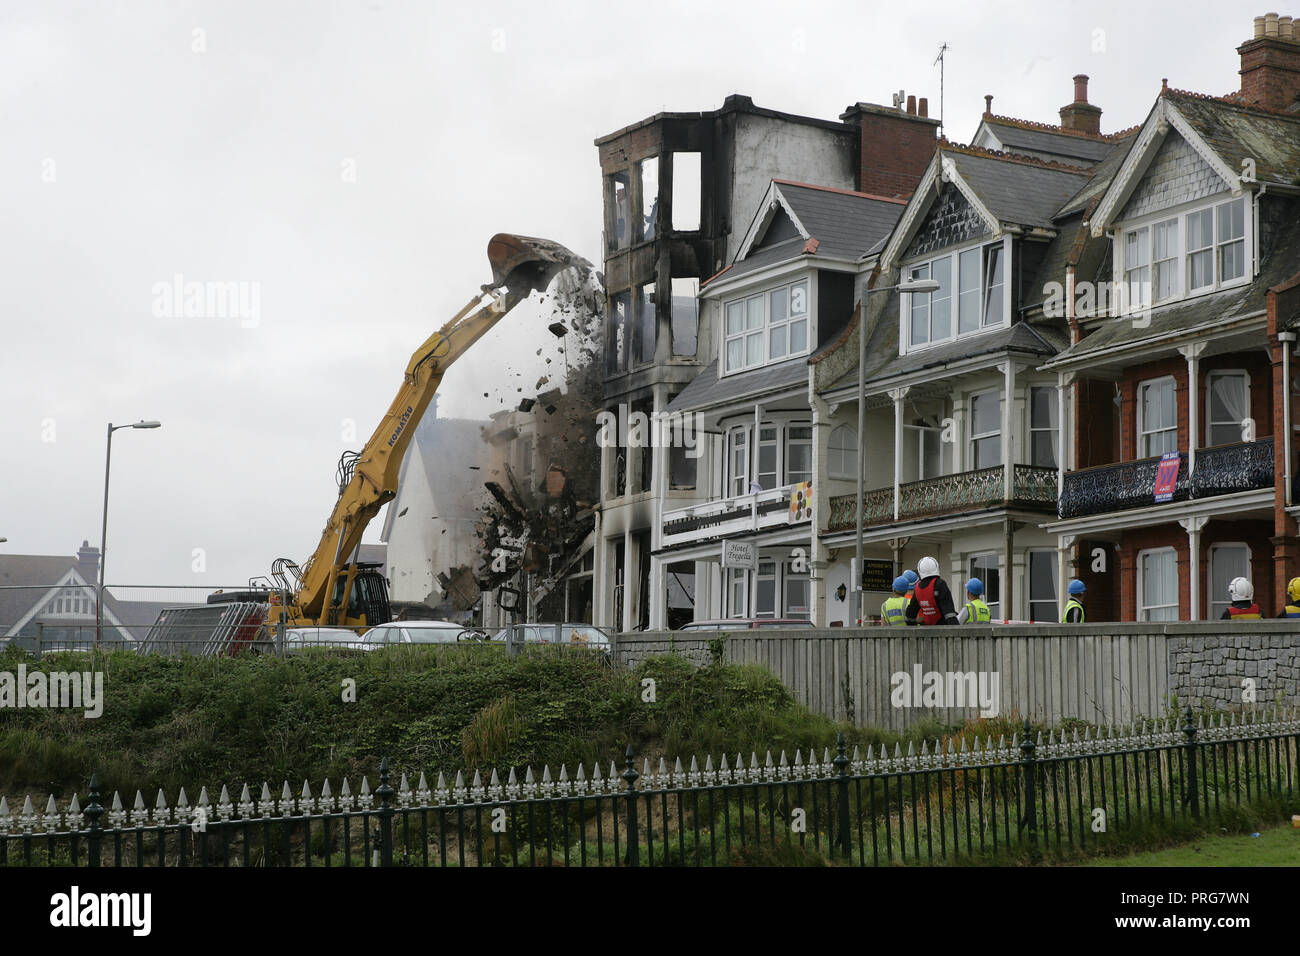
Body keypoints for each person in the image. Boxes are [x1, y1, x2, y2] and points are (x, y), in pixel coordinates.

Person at [905, 556, 959, 625]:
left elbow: (910, 614)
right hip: (942, 629)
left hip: (927, 630)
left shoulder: (917, 588)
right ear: (936, 567)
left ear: (920, 570)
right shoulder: (940, 584)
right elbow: (949, 613)